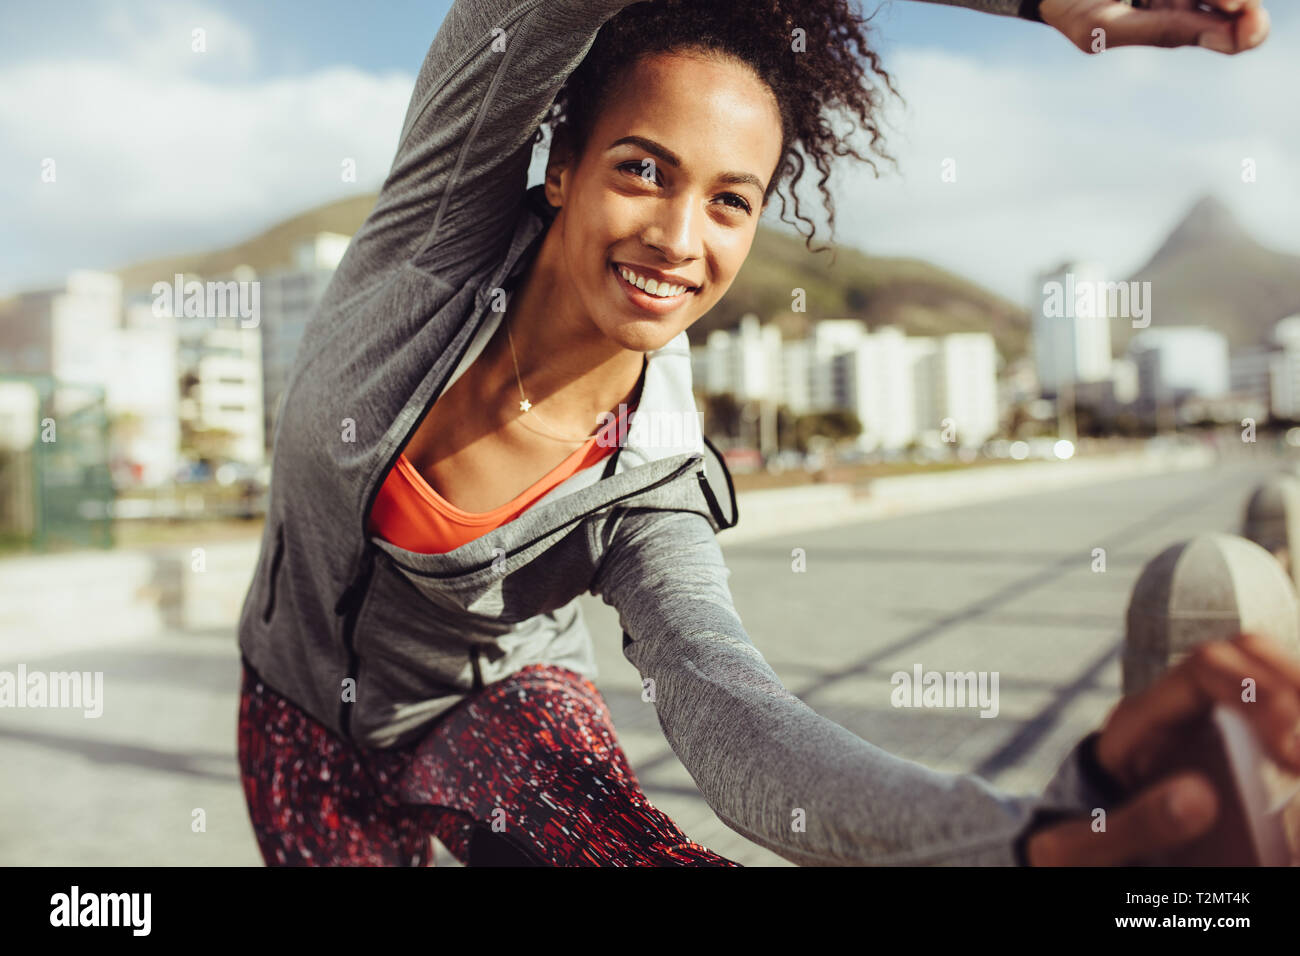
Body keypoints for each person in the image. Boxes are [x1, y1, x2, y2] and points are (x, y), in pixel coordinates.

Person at [236, 0, 1284, 867]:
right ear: (562, 164)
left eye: (729, 201)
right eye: (642, 168)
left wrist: (1037, 837)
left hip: (493, 704)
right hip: (294, 712)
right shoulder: (434, 231)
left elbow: (736, 713)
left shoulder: (649, 483)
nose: (677, 238)